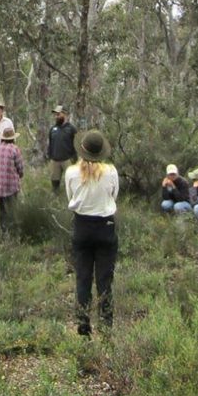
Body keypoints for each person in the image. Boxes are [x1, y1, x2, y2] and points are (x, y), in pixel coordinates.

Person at [64, 129, 119, 336]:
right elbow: (114, 195)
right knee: (105, 279)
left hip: (82, 226)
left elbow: (70, 197)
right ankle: (106, 325)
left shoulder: (71, 172)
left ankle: (83, 324)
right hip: (105, 226)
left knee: (83, 278)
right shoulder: (111, 171)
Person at [0, 126, 24, 232]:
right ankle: (13, 230)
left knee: (2, 209)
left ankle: (4, 230)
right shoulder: (14, 149)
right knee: (12, 208)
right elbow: (20, 168)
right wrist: (20, 175)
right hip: (11, 185)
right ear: (12, 138)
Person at [47, 105, 77, 192]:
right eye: (55, 115)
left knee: (72, 181)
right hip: (55, 160)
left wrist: (74, 159)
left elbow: (76, 144)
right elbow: (50, 144)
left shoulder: (71, 129)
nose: (56, 116)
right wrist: (50, 157)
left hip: (67, 159)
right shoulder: (53, 129)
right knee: (55, 182)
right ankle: (56, 199)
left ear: (65, 114)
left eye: (58, 114)